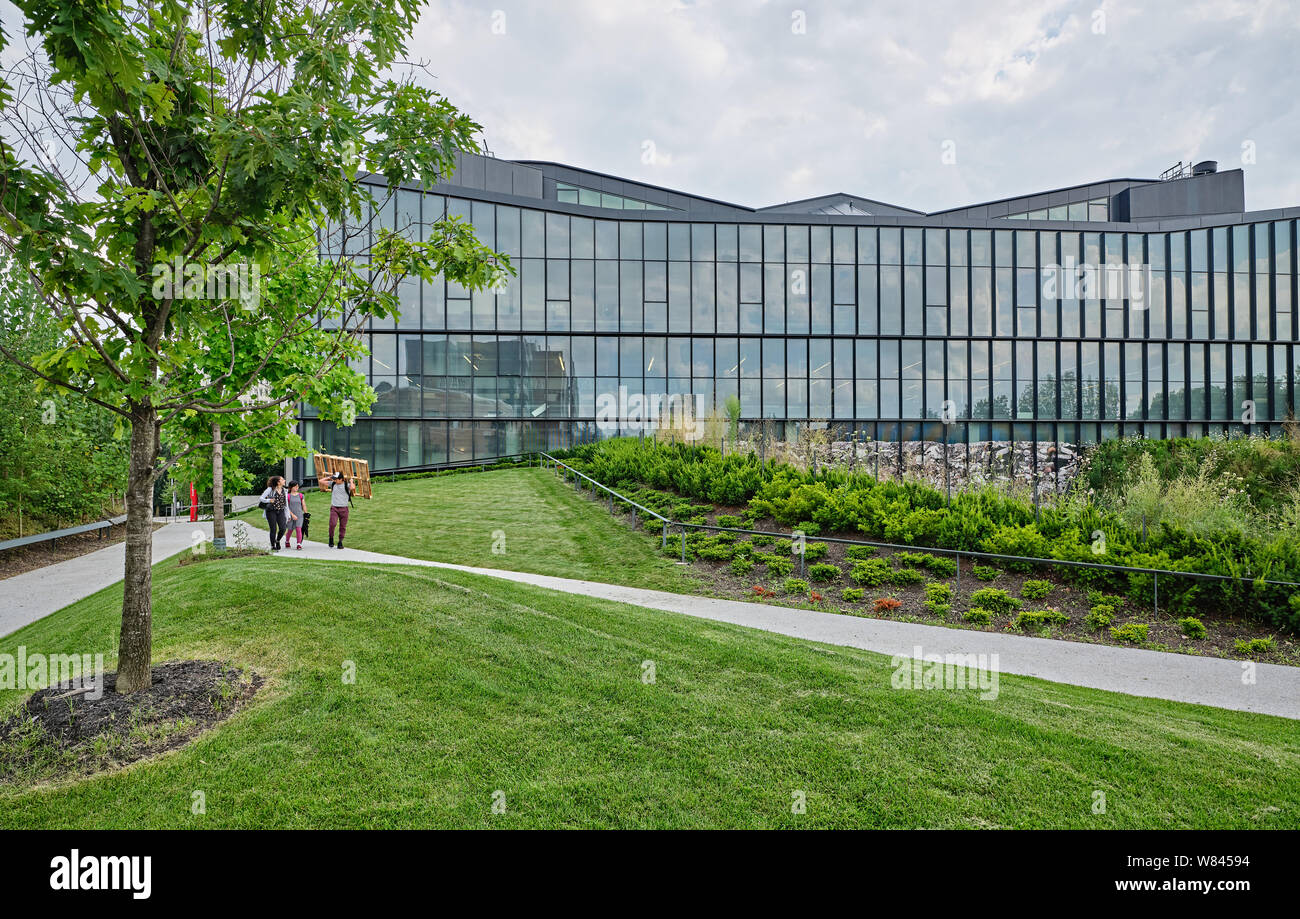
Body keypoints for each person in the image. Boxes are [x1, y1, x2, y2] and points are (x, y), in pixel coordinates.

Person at [323, 470, 355, 549]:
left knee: (343, 526)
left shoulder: (346, 485)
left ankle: (340, 542)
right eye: (334, 479)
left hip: (344, 509)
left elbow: (352, 487)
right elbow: (321, 481)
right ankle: (331, 538)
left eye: (336, 479)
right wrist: (330, 477)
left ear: (341, 479)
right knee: (332, 524)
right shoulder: (333, 484)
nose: (335, 480)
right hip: (334, 508)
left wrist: (351, 481)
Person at [259, 476, 288, 550]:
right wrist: (269, 500)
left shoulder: (284, 490)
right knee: (273, 529)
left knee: (283, 528)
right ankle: (273, 546)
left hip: (281, 511)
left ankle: (277, 540)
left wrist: (288, 515)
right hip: (271, 511)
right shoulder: (270, 489)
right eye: (282, 479)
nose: (284, 480)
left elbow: (286, 504)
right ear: (278, 482)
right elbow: (261, 498)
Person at [285, 480, 307, 550]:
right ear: (291, 487)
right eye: (295, 486)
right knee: (290, 530)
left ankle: (299, 544)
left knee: (298, 529)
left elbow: (303, 505)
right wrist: (292, 515)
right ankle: (287, 541)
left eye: (297, 486)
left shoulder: (301, 495)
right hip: (290, 516)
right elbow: (287, 507)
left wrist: (306, 513)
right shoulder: (288, 496)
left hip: (299, 515)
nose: (297, 488)